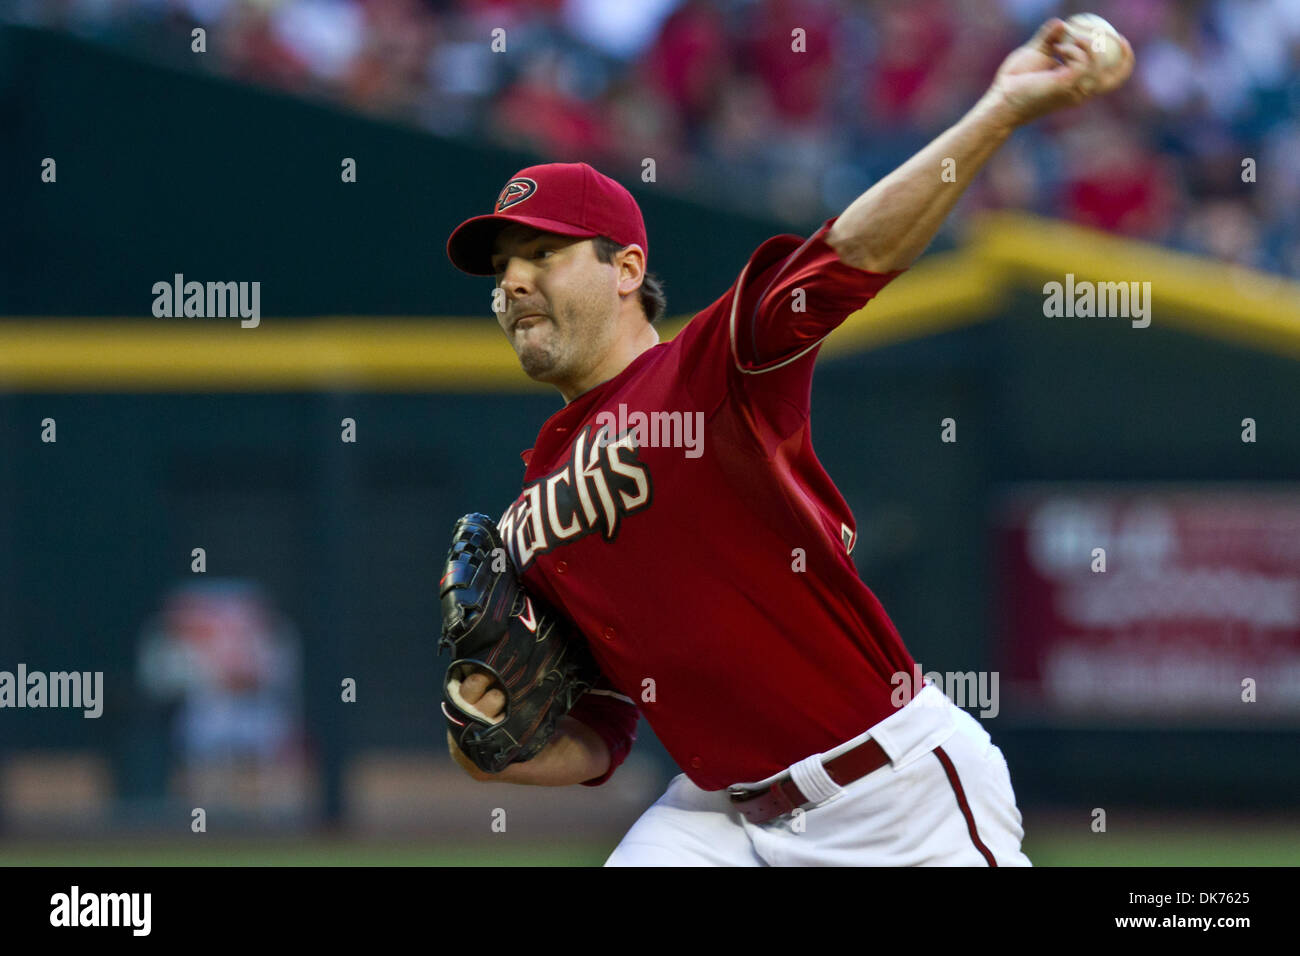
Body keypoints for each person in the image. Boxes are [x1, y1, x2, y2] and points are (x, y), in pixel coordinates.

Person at [441, 18, 1133, 865]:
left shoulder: (711, 367)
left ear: (625, 271)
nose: (511, 282)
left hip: (890, 795)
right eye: (500, 269)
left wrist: (999, 108)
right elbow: (604, 733)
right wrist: (486, 739)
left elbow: (850, 257)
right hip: (715, 818)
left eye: (541, 253)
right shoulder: (527, 511)